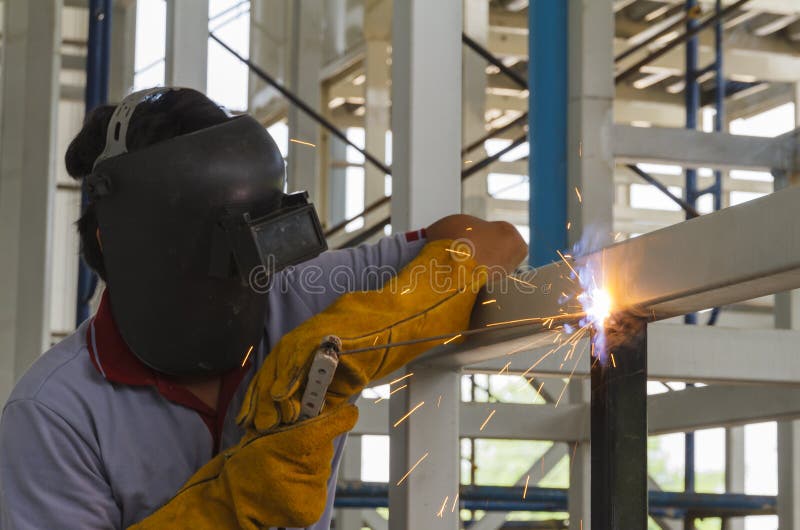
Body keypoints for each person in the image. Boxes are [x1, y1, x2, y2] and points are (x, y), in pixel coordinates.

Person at [0, 87, 527, 529]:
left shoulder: (300, 296)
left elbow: (496, 241)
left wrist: (370, 330)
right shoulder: (56, 414)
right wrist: (231, 505)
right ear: (119, 243)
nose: (241, 268)